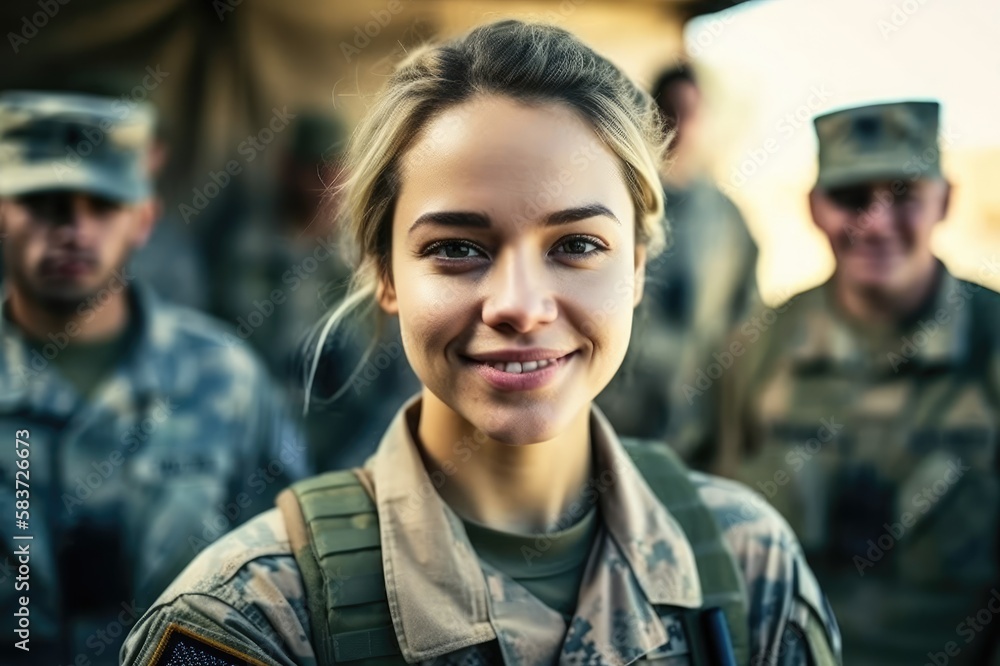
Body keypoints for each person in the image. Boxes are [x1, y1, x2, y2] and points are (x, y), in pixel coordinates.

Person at [119, 21, 840, 666]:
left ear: (638, 269)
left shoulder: (749, 570)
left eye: (579, 244)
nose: (520, 306)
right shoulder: (253, 620)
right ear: (385, 273)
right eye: (458, 248)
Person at [0, 90, 308, 665]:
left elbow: (295, 582)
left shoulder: (225, 379)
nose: (73, 229)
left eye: (102, 204)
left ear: (143, 220)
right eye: (44, 202)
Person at [703, 101, 1000, 665]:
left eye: (904, 196)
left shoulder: (990, 343)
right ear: (815, 207)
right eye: (852, 198)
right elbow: (717, 520)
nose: (877, 223)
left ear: (946, 200)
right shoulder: (759, 347)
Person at [597, 63, 758, 442]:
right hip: (611, 416)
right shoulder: (621, 203)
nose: (681, 122)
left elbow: (745, 323)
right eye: (671, 108)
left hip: (689, 426)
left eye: (692, 111)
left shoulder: (726, 220)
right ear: (654, 114)